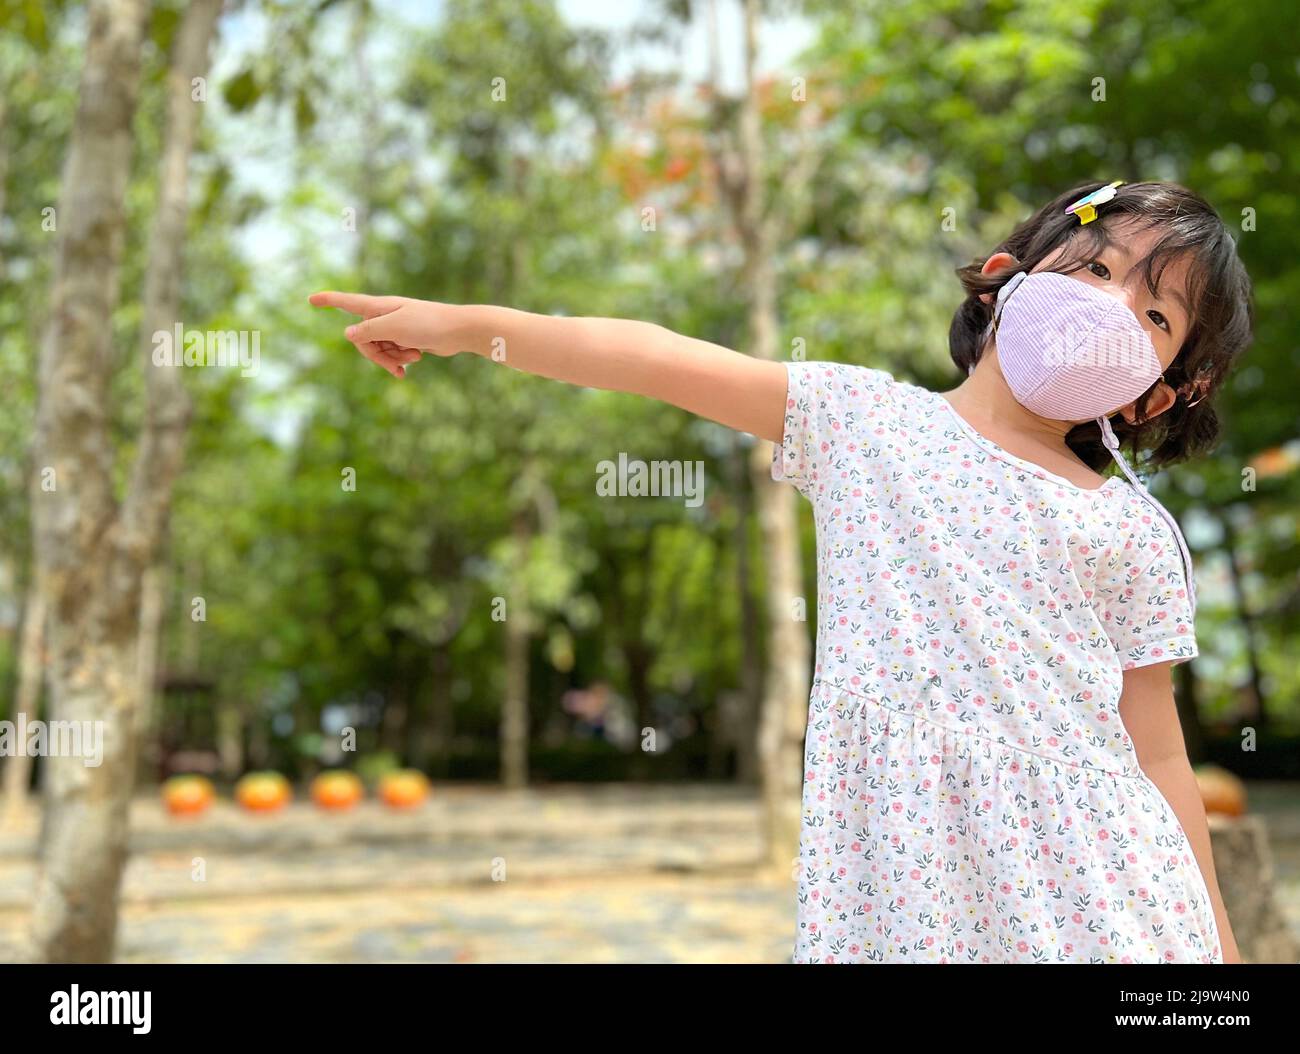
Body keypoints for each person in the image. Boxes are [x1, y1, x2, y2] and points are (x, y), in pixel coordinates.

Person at [309, 179, 1253, 964]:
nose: (1110, 306)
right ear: (1003, 278)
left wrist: (1220, 950)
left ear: (1164, 389)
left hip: (1113, 907)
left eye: (1156, 312)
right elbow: (652, 356)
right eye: (1095, 266)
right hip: (907, 888)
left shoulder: (1129, 527)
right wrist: (469, 327)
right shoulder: (864, 422)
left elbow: (1159, 753)